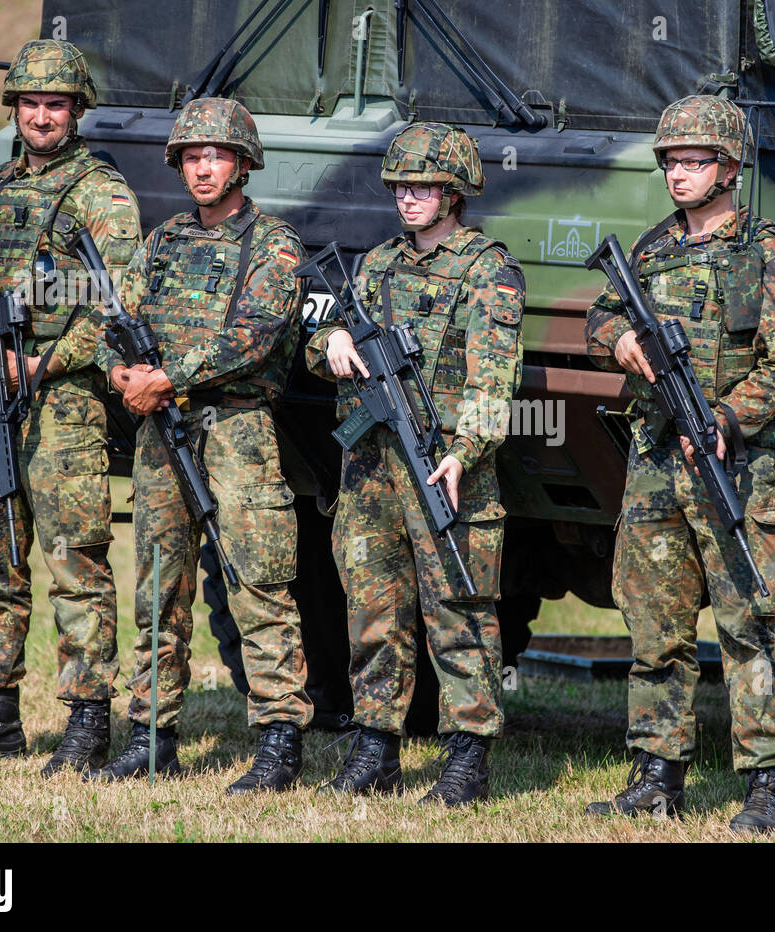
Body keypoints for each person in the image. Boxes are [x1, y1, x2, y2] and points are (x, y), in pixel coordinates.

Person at [583, 95, 775, 832]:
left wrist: (725, 416)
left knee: (751, 623)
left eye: (692, 162)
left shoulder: (767, 251)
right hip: (655, 461)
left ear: (728, 167)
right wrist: (619, 341)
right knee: (655, 625)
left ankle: (767, 786)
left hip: (736, 465)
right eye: (671, 162)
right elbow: (600, 316)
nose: (678, 175)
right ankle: (658, 773)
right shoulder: (651, 251)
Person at [0, 39, 141, 777]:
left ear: (76, 111)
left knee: (75, 560)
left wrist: (44, 362)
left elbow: (121, 302)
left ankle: (85, 720)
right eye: (31, 103)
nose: (42, 116)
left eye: (56, 104)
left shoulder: (101, 194)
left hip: (63, 400)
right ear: (14, 108)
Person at [86, 98, 313, 794]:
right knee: (160, 587)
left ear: (243, 162)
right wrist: (120, 372)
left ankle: (279, 740)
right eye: (192, 155)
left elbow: (254, 336)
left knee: (257, 583)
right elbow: (109, 322)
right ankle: (152, 736)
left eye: (216, 155)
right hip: (162, 435)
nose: (204, 167)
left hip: (235, 432)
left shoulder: (272, 245)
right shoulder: (161, 243)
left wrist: (166, 378)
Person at [305, 123, 525, 806]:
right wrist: (334, 337)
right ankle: (376, 747)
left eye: (423, 186)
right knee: (374, 613)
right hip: (371, 475)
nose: (408, 197)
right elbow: (316, 343)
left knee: (459, 612)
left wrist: (463, 453)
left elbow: (496, 384)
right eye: (400, 186)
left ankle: (467, 757)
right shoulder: (375, 266)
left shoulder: (489, 270)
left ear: (454, 191)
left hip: (442, 469)